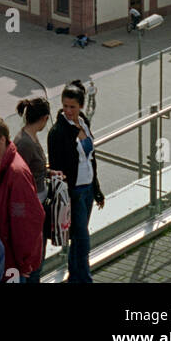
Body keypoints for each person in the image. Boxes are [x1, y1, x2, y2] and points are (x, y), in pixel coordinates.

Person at [0, 114, 45, 283]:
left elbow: (26, 221)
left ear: (2, 139)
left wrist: (25, 262)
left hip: (9, 260)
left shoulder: (17, 173)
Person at [46, 82, 105, 285]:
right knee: (82, 238)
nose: (68, 111)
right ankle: (84, 279)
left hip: (87, 187)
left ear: (80, 106)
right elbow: (57, 168)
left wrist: (96, 190)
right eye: (65, 106)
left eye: (72, 106)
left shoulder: (83, 122)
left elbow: (91, 159)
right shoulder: (58, 132)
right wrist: (66, 195)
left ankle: (75, 277)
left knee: (80, 237)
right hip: (74, 192)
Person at [14, 98, 51, 284]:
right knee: (35, 258)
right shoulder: (25, 143)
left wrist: (49, 172)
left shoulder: (29, 137)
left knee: (39, 254)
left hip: (37, 204)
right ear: (44, 118)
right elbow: (20, 176)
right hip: (32, 208)